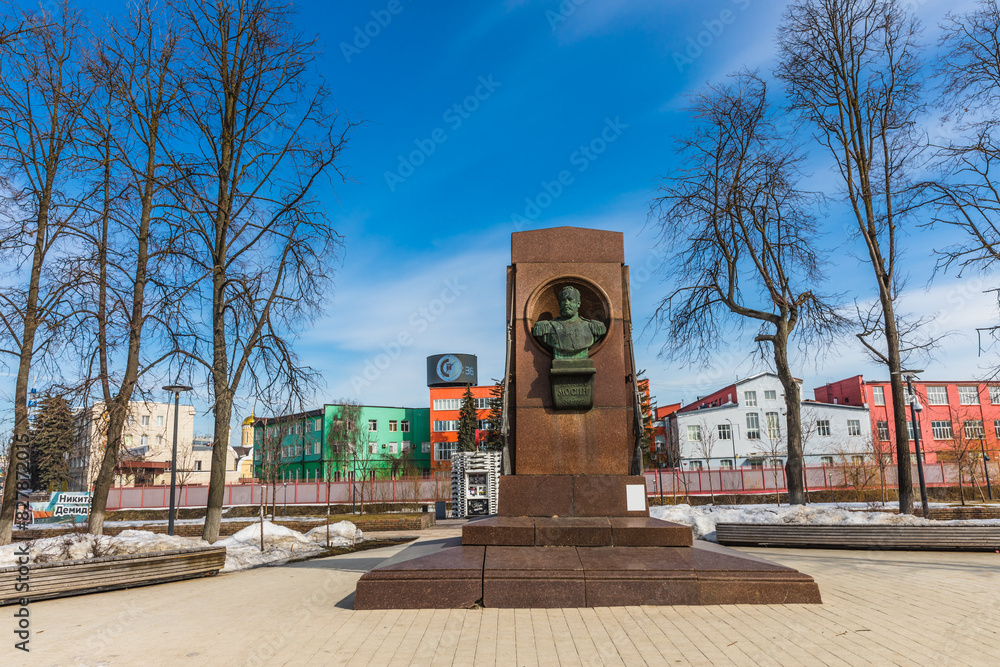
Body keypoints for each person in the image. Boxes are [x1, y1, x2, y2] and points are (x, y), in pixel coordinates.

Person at [531, 285, 606, 359]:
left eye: (570, 299)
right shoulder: (547, 327)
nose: (566, 303)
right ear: (559, 304)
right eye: (563, 300)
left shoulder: (592, 327)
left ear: (578, 303)